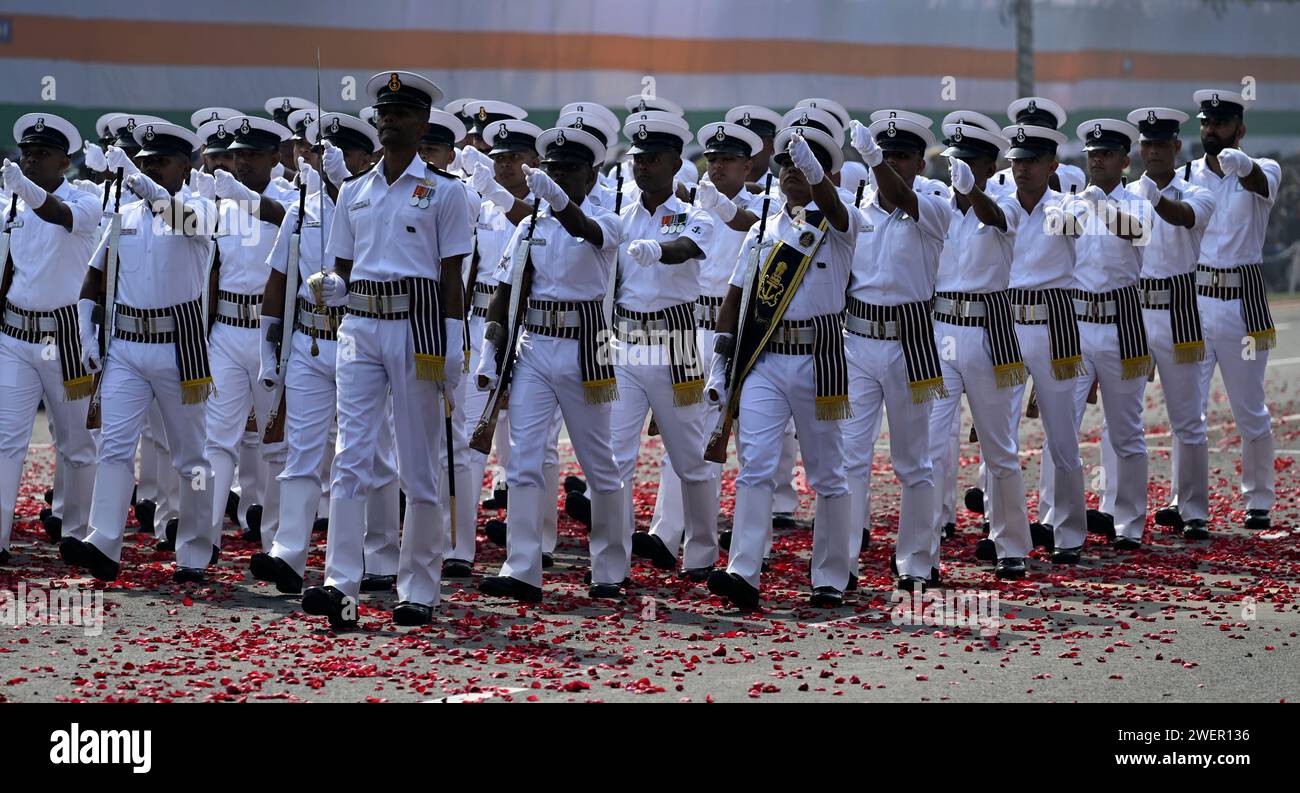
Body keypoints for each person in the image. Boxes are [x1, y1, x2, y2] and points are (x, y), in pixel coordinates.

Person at [301, 71, 472, 629]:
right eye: (384, 111)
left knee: (418, 463)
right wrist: (329, 286)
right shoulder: (353, 191)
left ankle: (419, 588)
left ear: (423, 123)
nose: (390, 119)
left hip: (419, 328)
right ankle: (340, 585)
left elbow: (452, 278)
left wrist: (451, 345)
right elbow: (343, 270)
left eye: (402, 112)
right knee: (350, 456)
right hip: (360, 327)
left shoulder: (447, 191)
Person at [475, 125, 627, 603]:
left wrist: (558, 201)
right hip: (535, 347)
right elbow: (505, 290)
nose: (558, 177)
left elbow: (585, 229)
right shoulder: (529, 225)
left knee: (599, 463)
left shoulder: (608, 218)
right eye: (553, 169)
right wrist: (491, 350)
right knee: (522, 460)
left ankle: (609, 567)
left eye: (570, 171)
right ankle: (522, 567)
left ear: (592, 174)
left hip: (587, 348)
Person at [64, 121, 219, 583]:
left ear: (185, 167)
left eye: (160, 162)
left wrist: (142, 182)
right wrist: (89, 338)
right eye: (145, 161)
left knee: (190, 456)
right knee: (113, 447)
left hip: (179, 348)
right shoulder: (124, 216)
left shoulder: (200, 210)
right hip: (127, 348)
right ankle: (104, 543)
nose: (149, 168)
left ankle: (194, 548)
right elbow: (93, 281)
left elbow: (184, 220)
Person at [0, 113, 101, 565]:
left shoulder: (85, 200)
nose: (31, 159)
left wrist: (24, 188)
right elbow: (8, 267)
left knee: (76, 443)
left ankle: (76, 532)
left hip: (66, 337)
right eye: (26, 152)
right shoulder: (10, 203)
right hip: (15, 333)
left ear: (65, 161)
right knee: (6, 440)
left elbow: (57, 215)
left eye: (42, 154)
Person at [1186, 88, 1283, 531]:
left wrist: (1243, 166)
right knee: (1189, 408)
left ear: (1240, 130)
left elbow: (1259, 185)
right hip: (1194, 300)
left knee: (1248, 407)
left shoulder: (1264, 169)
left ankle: (1259, 498)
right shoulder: (1186, 174)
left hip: (1242, 303)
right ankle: (1189, 507)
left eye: (1221, 124)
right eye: (1206, 123)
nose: (1211, 130)